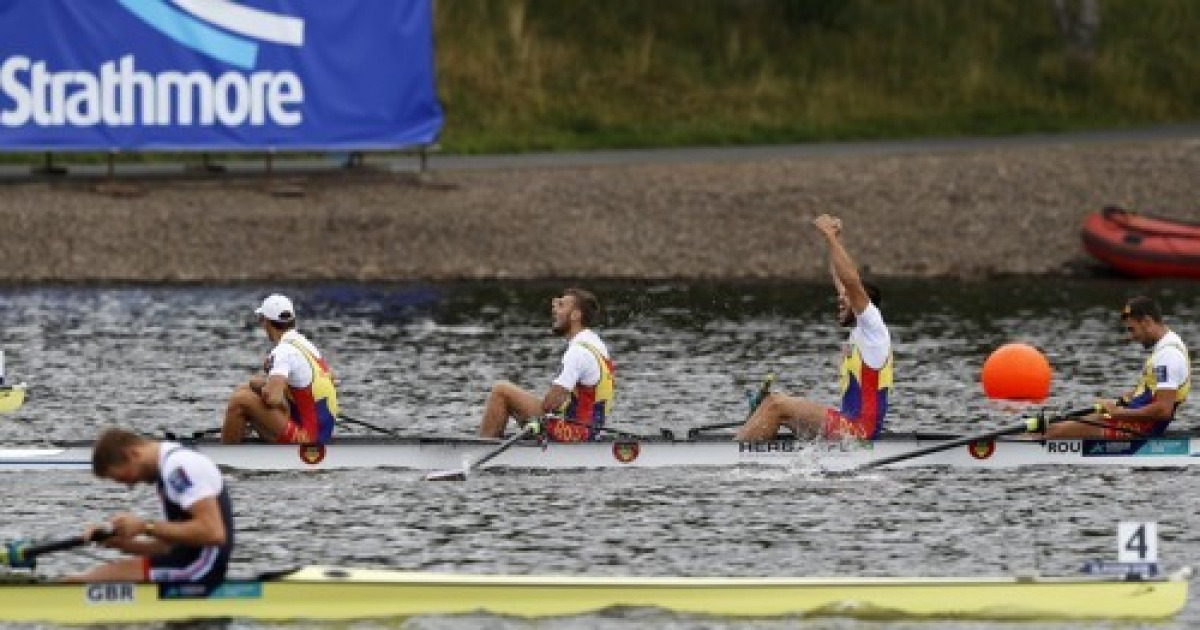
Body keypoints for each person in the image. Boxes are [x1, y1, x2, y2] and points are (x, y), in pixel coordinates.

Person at [735, 214, 893, 441]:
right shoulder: (862, 332)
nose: (840, 299)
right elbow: (842, 278)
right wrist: (836, 240)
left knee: (776, 405)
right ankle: (746, 441)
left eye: (847, 297)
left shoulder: (873, 326)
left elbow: (851, 281)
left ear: (861, 300)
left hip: (858, 432)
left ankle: (731, 453)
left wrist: (829, 236)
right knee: (777, 405)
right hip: (848, 425)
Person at [65, 428, 233, 588]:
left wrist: (144, 527)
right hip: (189, 562)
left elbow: (214, 533)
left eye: (124, 478)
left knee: (79, 582)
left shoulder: (178, 468)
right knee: (93, 576)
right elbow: (168, 548)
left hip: (201, 568)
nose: (130, 485)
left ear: (132, 454)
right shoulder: (170, 467)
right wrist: (122, 544)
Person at [479, 288, 615, 442]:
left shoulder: (578, 352)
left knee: (501, 391)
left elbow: (551, 404)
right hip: (591, 429)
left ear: (576, 315)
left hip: (575, 432)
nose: (555, 310)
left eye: (561, 305)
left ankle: (479, 448)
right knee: (521, 403)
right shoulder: (596, 343)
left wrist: (525, 410)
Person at [1044, 296, 1189, 439]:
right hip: (1133, 419)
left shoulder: (1168, 355)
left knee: (1053, 431)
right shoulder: (1169, 342)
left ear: (1147, 322)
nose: (1131, 336)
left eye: (1132, 329)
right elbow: (1152, 389)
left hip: (1141, 428)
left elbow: (1163, 410)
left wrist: (1118, 412)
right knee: (1057, 424)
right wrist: (1124, 400)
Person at [222, 294, 339, 444]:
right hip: (319, 430)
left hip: (308, 438)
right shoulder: (305, 345)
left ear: (265, 322)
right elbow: (330, 380)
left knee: (240, 400)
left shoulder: (284, 351)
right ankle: (237, 437)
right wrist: (257, 386)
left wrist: (261, 388)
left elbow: (273, 398)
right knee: (245, 390)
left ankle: (225, 457)